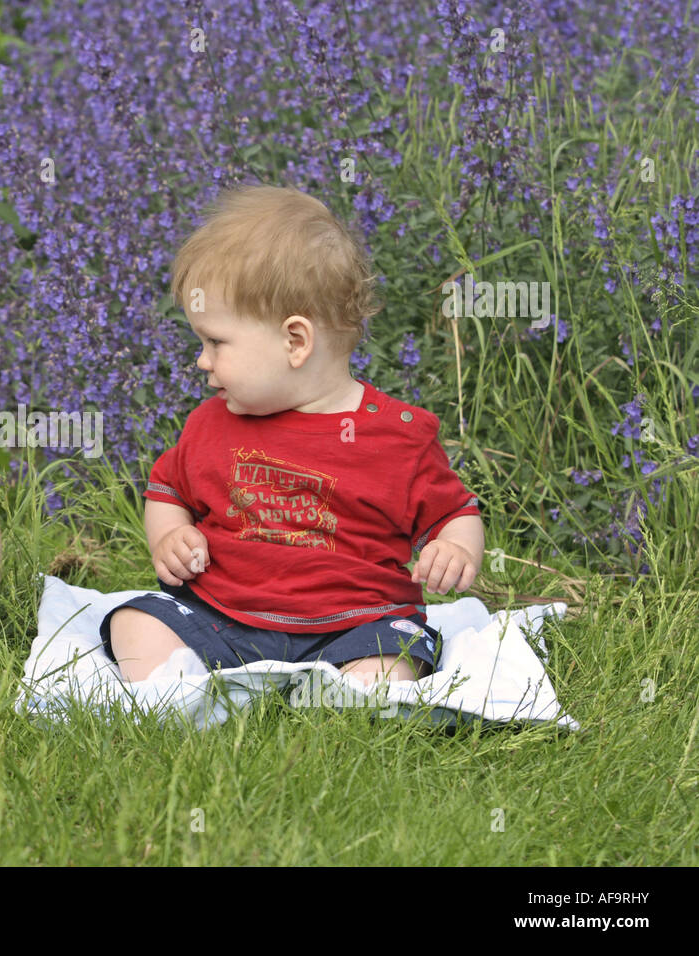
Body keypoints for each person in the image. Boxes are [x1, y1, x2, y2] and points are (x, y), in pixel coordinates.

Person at [102, 184, 484, 689]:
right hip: (224, 614)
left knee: (391, 659)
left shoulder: (399, 436)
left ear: (295, 341)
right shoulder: (211, 424)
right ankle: (181, 692)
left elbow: (455, 511)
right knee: (136, 622)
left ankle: (349, 688)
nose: (202, 360)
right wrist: (170, 535)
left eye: (216, 341)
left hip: (357, 621)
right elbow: (166, 491)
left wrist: (455, 548)